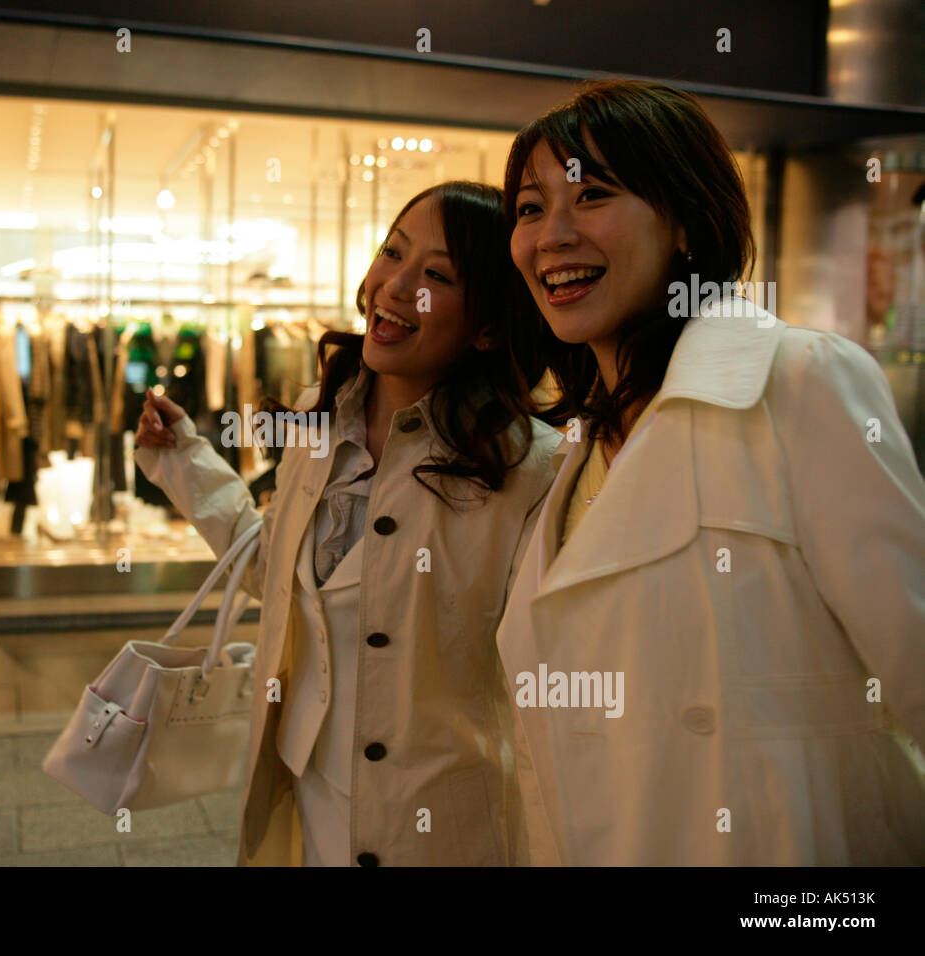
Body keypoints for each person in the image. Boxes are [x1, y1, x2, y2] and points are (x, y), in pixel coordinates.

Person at [497, 79, 925, 865]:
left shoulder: (796, 382)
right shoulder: (576, 452)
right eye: (529, 208)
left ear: (687, 222)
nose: (551, 235)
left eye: (592, 195)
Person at [135, 181, 562, 866]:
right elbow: (275, 574)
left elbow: (556, 689)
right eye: (392, 252)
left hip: (443, 828)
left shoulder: (526, 469)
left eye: (437, 275)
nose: (394, 285)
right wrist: (186, 462)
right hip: (311, 792)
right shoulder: (321, 416)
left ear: (487, 323)